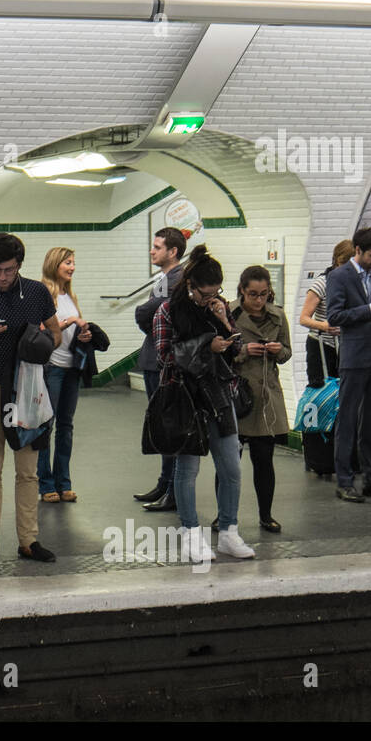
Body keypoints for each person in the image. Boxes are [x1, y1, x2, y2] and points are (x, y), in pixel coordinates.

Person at [0, 233, 61, 564]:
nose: (2, 276)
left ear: (19, 266)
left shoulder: (37, 292)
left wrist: (41, 343)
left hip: (29, 388)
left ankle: (29, 540)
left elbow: (56, 334)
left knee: (28, 470)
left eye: (9, 269)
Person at [153, 245, 253, 561]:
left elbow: (238, 352)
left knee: (232, 468)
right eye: (203, 293)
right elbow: (165, 356)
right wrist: (205, 345)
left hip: (219, 395)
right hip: (184, 396)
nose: (209, 298)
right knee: (188, 468)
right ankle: (191, 535)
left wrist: (225, 322)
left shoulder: (219, 307)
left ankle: (229, 532)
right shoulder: (168, 311)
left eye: (216, 292)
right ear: (190, 285)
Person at [326, 227, 371, 504]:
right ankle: (344, 481)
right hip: (354, 358)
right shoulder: (338, 276)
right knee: (348, 419)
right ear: (357, 250)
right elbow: (334, 316)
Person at [229, 266, 292, 534]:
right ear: (242, 290)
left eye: (263, 294)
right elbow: (215, 351)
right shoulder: (228, 314)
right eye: (252, 294)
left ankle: (266, 515)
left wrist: (279, 351)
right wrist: (242, 351)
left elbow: (288, 352)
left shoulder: (278, 316)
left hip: (266, 396)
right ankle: (225, 515)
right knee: (229, 462)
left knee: (264, 460)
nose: (258, 300)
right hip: (237, 395)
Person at [134, 227, 186, 512]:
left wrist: (152, 324)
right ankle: (165, 483)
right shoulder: (167, 278)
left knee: (167, 426)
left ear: (172, 251)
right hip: (156, 359)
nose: (152, 251)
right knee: (162, 425)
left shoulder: (176, 279)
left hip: (162, 361)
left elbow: (147, 311)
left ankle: (172, 489)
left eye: (157, 247)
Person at [37, 246, 89, 504]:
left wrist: (84, 333)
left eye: (73, 262)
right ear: (55, 264)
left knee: (66, 427)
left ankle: (63, 482)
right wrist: (69, 323)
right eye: (68, 262)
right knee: (47, 425)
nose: (72, 267)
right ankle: (45, 483)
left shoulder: (69, 295)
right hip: (51, 367)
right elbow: (39, 328)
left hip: (72, 368)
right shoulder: (43, 293)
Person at [299, 239, 353, 389]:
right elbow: (303, 318)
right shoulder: (322, 282)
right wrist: (323, 325)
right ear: (336, 261)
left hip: (345, 345)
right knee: (322, 391)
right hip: (321, 344)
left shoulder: (355, 284)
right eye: (343, 264)